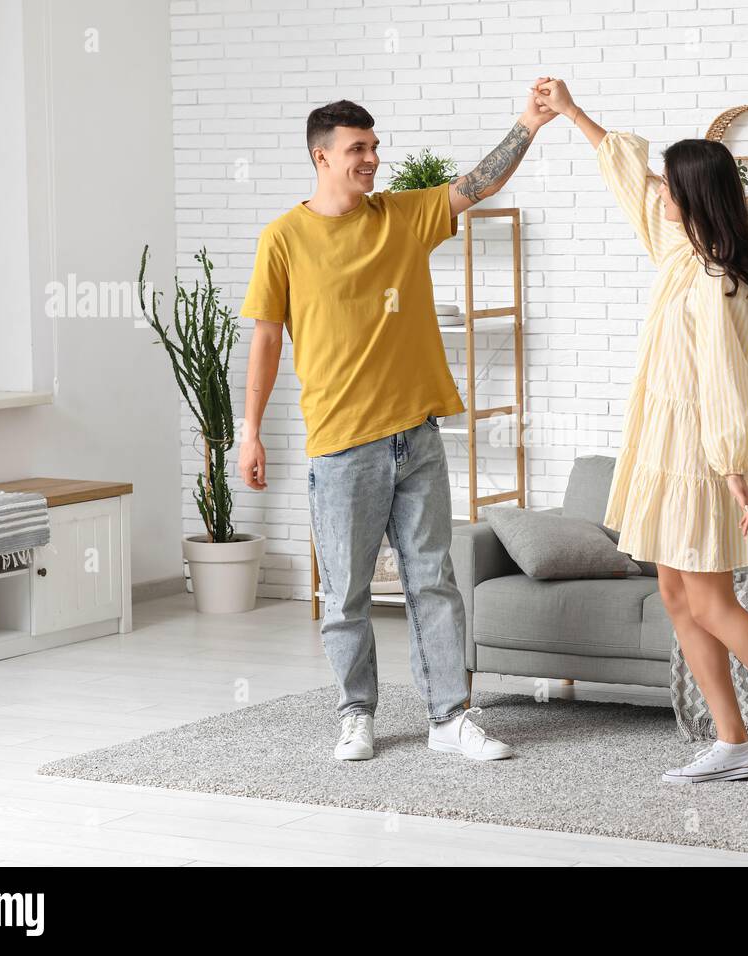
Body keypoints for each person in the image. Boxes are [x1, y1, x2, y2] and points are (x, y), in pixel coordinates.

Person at [532, 79, 748, 799]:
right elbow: (633, 177)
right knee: (679, 598)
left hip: (703, 456)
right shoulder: (681, 248)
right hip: (664, 446)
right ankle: (732, 742)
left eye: (671, 186)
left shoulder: (716, 279)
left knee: (713, 604)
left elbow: (729, 383)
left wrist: (735, 468)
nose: (658, 193)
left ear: (694, 197)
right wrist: (572, 112)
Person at [238, 93, 557, 762]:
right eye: (359, 149)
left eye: (374, 147)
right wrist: (249, 430)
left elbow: (480, 182)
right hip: (341, 445)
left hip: (416, 437)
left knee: (433, 581)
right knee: (347, 594)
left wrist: (529, 123)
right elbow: (266, 338)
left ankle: (449, 718)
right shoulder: (284, 239)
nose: (373, 159)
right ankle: (356, 714)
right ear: (322, 156)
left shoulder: (403, 217)